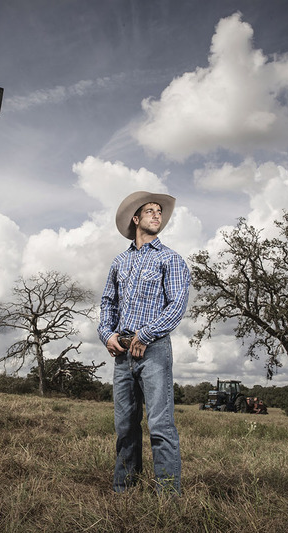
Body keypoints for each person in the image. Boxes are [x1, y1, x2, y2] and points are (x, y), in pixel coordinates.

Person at [97, 191, 191, 495]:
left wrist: (146, 334)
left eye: (159, 212)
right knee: (125, 426)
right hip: (123, 353)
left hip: (154, 351)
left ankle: (168, 497)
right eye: (150, 211)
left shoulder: (170, 259)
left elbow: (176, 305)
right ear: (136, 219)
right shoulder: (119, 262)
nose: (157, 216)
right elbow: (107, 304)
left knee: (161, 426)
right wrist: (107, 334)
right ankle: (124, 490)